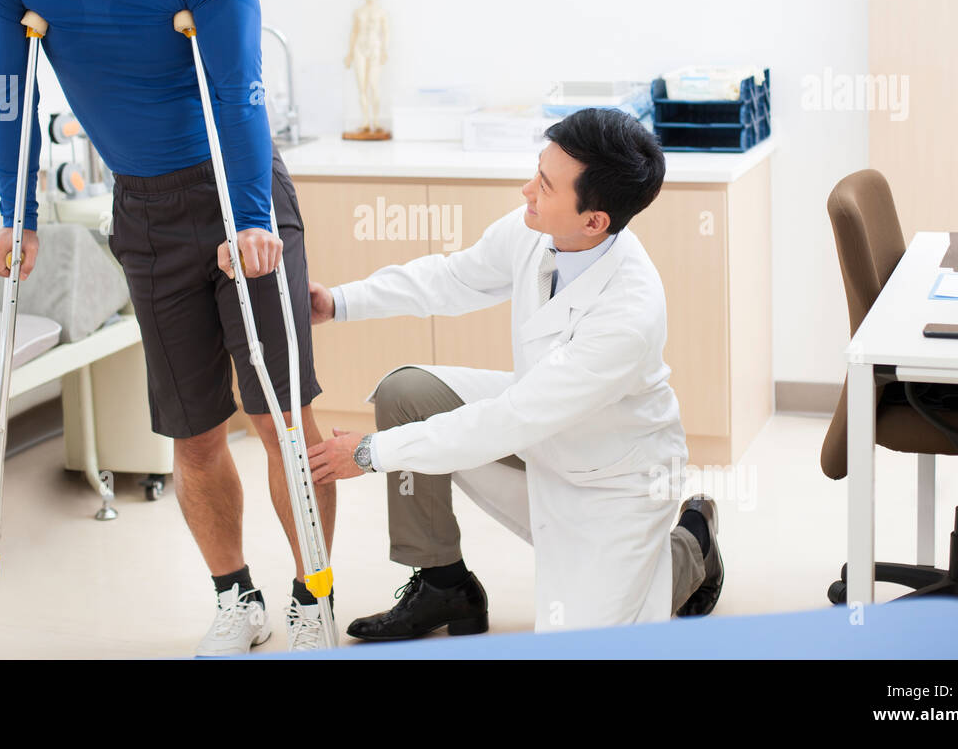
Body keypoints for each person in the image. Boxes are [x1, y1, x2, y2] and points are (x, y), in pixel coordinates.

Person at [0, 0, 331, 654]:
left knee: (282, 414)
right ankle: (234, 599)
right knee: (193, 426)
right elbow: (7, 94)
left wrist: (251, 221)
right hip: (143, 207)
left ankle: (312, 594)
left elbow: (242, 95)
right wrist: (15, 215)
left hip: (238, 195)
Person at [307, 108, 723, 635]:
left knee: (589, 640)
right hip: (537, 433)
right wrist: (340, 302)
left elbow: (508, 421)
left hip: (613, 482)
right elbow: (454, 278)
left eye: (545, 185)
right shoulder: (539, 228)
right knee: (407, 394)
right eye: (536, 171)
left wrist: (370, 453)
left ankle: (693, 545)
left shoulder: (628, 315)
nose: (527, 190)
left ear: (594, 220)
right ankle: (444, 586)